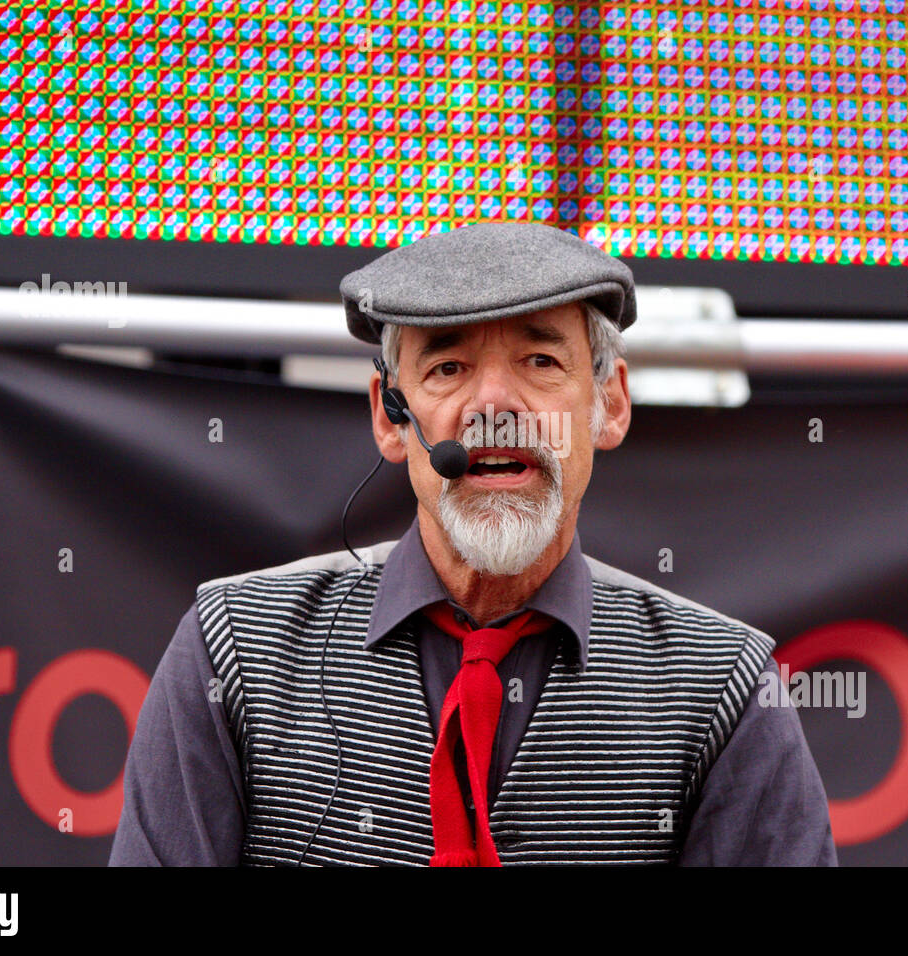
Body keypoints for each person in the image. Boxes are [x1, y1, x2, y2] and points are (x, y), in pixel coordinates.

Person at [109, 221, 837, 866]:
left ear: (609, 405)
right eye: (447, 368)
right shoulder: (234, 646)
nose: (493, 405)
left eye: (541, 362)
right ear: (391, 418)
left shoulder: (723, 687)